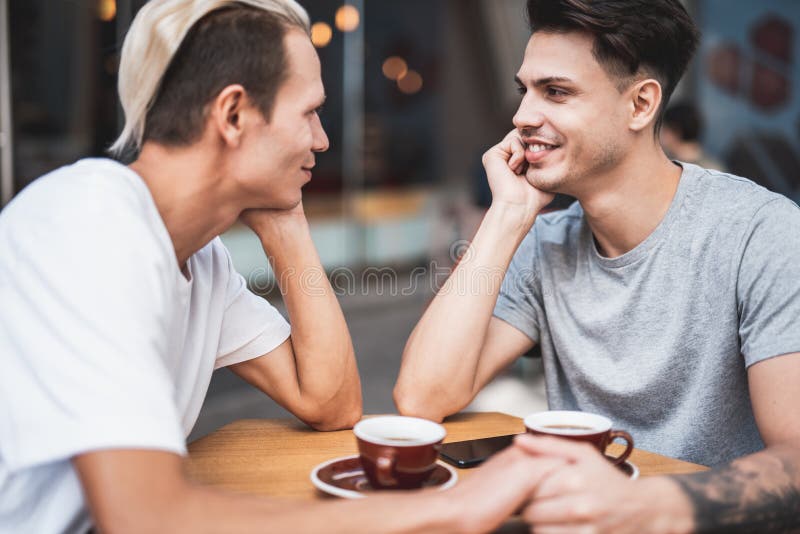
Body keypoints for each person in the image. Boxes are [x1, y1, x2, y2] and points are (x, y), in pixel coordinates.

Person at [0, 1, 565, 532]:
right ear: (235, 113)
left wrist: (286, 222)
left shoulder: (197, 255)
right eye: (311, 113)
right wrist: (452, 510)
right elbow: (148, 519)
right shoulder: (88, 228)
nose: (322, 140)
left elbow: (329, 402)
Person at [395, 0, 800, 531]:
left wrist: (650, 507)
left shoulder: (762, 233)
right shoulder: (542, 240)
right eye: (526, 90)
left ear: (640, 105)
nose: (522, 117)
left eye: (556, 92)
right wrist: (505, 217)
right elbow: (421, 398)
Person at [660, 101, 725, 171]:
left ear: (675, 131)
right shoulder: (714, 169)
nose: (660, 134)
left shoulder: (665, 167)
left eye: (664, 128)